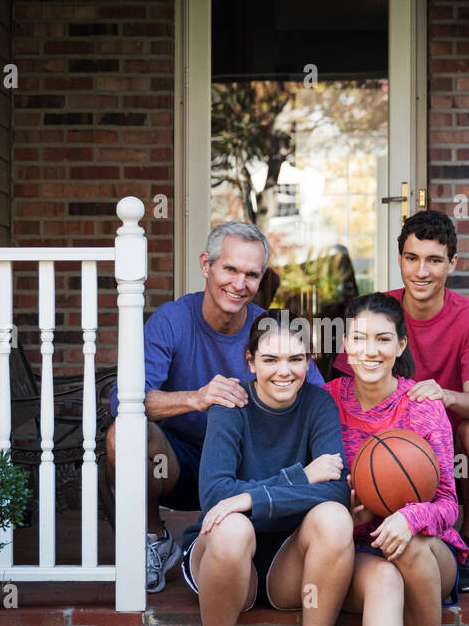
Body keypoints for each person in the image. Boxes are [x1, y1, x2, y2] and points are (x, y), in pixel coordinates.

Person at [107, 221, 325, 592]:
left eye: (251, 275)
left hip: (251, 471)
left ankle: (277, 548)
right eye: (230, 269)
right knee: (124, 435)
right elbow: (122, 401)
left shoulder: (269, 329)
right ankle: (153, 538)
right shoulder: (172, 320)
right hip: (181, 467)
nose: (240, 284)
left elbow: (318, 400)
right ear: (206, 264)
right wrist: (197, 397)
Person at [181, 310, 354, 626]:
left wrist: (248, 498)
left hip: (287, 565)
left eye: (296, 359)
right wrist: (301, 476)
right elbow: (215, 495)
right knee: (232, 526)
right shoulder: (232, 405)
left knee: (334, 518)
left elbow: (335, 491)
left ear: (309, 362)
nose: (284, 371)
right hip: (224, 558)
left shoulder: (318, 404)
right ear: (250, 361)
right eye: (271, 359)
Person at [326, 293, 465, 626]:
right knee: (382, 560)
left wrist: (407, 515)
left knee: (407, 546)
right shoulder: (326, 402)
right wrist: (348, 507)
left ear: (400, 344)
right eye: (360, 338)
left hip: (428, 551)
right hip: (355, 555)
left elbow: (449, 503)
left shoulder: (423, 406)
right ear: (345, 343)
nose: (370, 350)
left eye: (383, 339)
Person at [332, 210, 469, 592]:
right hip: (386, 435)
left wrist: (444, 393)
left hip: (444, 435)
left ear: (452, 263)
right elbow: (345, 395)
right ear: (401, 260)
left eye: (434, 260)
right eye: (412, 258)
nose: (421, 271)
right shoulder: (378, 312)